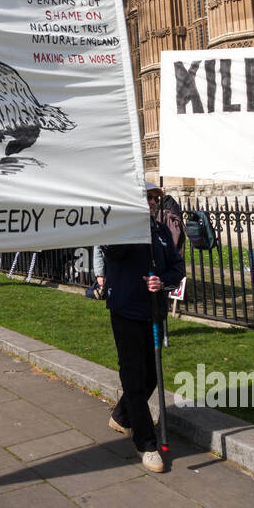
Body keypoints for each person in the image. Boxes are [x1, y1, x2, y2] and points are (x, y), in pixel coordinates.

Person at [100, 181, 186, 473]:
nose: (151, 202)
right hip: (125, 310)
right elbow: (112, 254)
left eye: (154, 198)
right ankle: (147, 444)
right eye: (146, 198)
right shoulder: (120, 228)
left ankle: (122, 416)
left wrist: (162, 281)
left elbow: (177, 267)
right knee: (134, 377)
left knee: (152, 376)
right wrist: (133, 230)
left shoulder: (161, 231)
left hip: (153, 311)